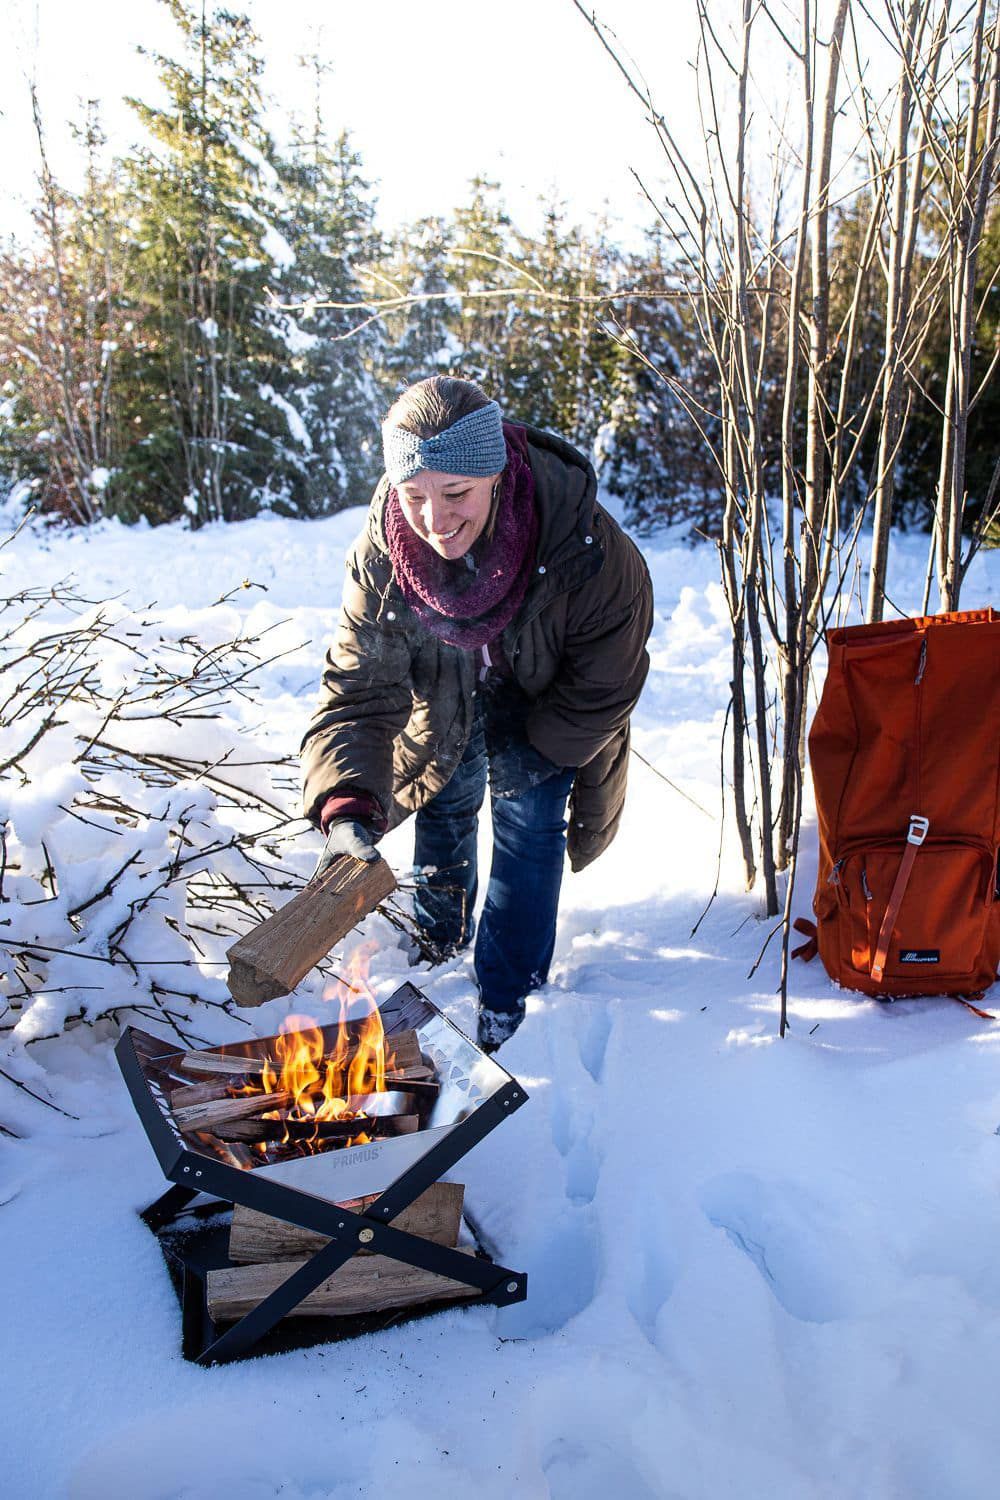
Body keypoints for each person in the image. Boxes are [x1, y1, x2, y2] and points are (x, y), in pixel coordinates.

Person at [301, 375, 653, 1052]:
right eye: (415, 496)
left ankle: (507, 991)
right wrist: (344, 806)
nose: (434, 521)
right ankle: (439, 939)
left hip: (552, 704)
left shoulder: (584, 546)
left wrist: (545, 748)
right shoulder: (385, 553)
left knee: (528, 824)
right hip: (444, 696)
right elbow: (357, 686)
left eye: (456, 493)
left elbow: (609, 675)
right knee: (443, 798)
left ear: (492, 475)